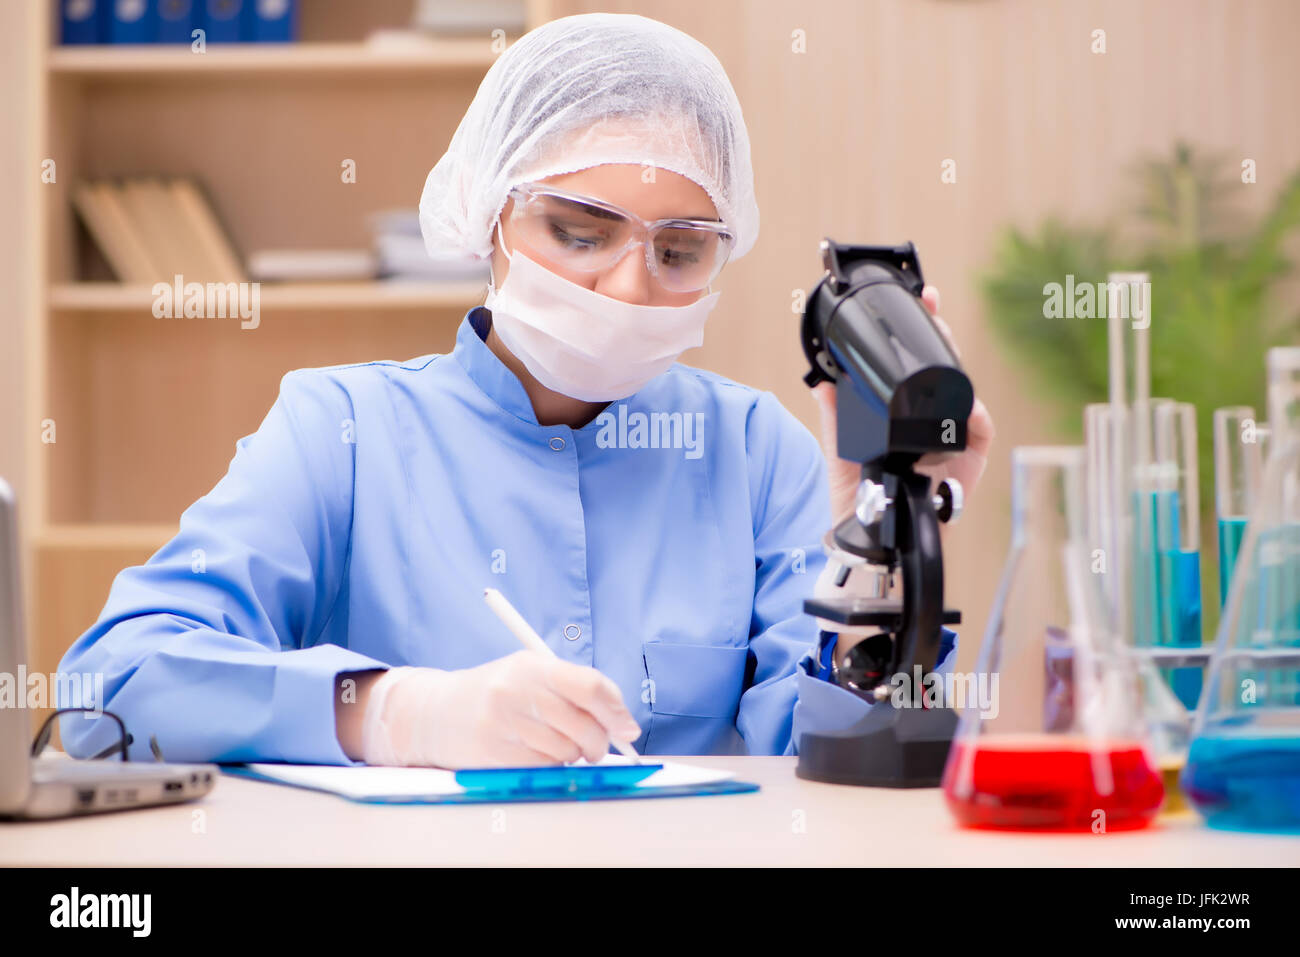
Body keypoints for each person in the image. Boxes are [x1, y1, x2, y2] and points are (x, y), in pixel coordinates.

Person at [58, 13, 993, 768]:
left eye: (678, 251)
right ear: (486, 214)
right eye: (579, 232)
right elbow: (107, 690)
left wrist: (884, 548)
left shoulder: (756, 449)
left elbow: (850, 758)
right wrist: (395, 713)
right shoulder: (340, 430)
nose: (630, 285)